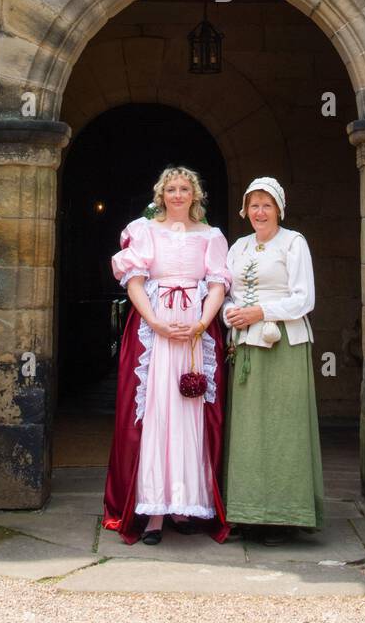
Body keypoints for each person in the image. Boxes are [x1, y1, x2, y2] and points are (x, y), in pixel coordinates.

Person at [102, 166, 231, 544]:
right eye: (171, 189)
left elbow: (218, 283)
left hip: (194, 326)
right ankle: (155, 511)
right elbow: (135, 282)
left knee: (190, 413)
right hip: (155, 330)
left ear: (195, 195)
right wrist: (156, 322)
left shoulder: (211, 236)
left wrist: (202, 324)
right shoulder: (144, 231)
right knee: (158, 413)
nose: (178, 195)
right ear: (161, 194)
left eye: (184, 188)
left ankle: (186, 504)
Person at [222, 177, 326, 543]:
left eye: (266, 205)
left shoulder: (293, 243)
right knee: (247, 429)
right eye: (254, 205)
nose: (259, 212)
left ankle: (282, 516)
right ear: (245, 210)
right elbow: (226, 294)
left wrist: (260, 311)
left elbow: (304, 298)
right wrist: (231, 314)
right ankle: (246, 512)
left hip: (284, 343)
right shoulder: (238, 247)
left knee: (282, 428)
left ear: (279, 209)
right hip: (246, 343)